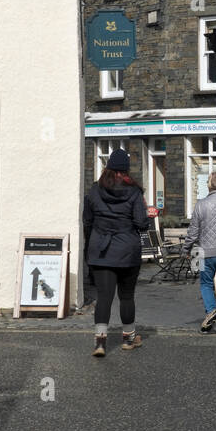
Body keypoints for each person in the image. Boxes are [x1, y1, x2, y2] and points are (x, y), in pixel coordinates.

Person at [82, 148, 150, 357]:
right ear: (125, 171)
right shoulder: (135, 192)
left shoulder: (94, 190)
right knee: (126, 296)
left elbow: (87, 220)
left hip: (100, 250)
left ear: (108, 168)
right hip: (127, 250)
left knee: (104, 297)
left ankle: (100, 342)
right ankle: (128, 339)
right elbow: (141, 223)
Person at [184, 170, 216, 333]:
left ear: (209, 184)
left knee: (205, 284)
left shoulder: (200, 204)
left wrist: (186, 248)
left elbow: (193, 231)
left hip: (201, 250)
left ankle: (211, 312)